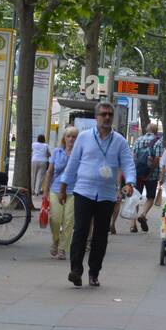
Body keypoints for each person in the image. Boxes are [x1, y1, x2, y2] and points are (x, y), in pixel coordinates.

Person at [58, 102, 136, 287]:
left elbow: (127, 163)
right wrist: (63, 186)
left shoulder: (119, 141)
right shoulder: (84, 138)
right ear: (96, 117)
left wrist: (130, 182)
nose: (107, 117)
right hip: (83, 191)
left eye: (110, 114)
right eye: (103, 114)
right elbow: (73, 164)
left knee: (101, 235)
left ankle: (94, 272)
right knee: (80, 231)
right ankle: (75, 270)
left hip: (107, 195)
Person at [44, 125, 78, 259]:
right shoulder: (57, 152)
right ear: (64, 138)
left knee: (69, 221)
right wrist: (45, 190)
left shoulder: (80, 153)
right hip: (56, 190)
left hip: (73, 191)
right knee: (55, 219)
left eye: (74, 137)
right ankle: (56, 240)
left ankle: (63, 249)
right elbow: (49, 172)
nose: (71, 139)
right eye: (68, 136)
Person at [131, 122, 163, 233]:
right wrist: (150, 173)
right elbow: (158, 158)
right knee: (150, 197)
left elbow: (134, 157)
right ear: (155, 131)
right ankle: (143, 214)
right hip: (151, 175)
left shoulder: (138, 140)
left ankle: (133, 224)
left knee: (135, 197)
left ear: (146, 130)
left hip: (138, 173)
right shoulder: (158, 141)